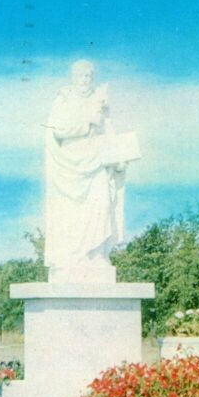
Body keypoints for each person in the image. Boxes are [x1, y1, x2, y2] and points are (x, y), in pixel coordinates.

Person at [43, 60, 133, 275]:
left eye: (88, 76)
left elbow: (108, 130)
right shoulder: (64, 99)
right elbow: (57, 130)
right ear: (73, 77)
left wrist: (120, 156)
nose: (84, 80)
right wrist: (87, 122)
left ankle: (97, 255)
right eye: (80, 76)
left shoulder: (100, 100)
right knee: (69, 213)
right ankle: (69, 258)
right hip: (69, 164)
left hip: (97, 159)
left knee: (102, 202)